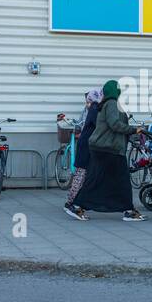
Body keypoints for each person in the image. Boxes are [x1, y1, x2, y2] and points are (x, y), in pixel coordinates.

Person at [71, 80, 145, 221]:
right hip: (109, 148)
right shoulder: (111, 103)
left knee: (101, 180)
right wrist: (133, 129)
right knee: (120, 180)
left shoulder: (106, 103)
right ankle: (128, 211)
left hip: (104, 148)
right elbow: (114, 124)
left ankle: (77, 206)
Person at [63, 88, 102, 220]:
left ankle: (72, 202)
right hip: (87, 146)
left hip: (85, 144)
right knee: (82, 174)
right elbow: (95, 126)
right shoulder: (94, 109)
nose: (87, 102)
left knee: (81, 174)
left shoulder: (92, 109)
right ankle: (72, 203)